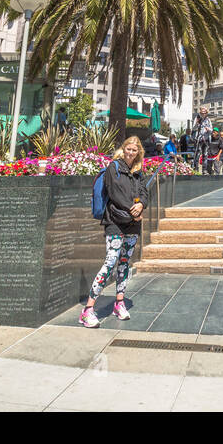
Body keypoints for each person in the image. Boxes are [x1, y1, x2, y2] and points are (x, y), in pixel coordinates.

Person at [80, 136, 149, 327]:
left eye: (135, 150)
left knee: (125, 263)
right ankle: (88, 310)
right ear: (123, 148)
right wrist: (132, 211)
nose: (131, 152)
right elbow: (114, 194)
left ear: (138, 152)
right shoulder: (114, 167)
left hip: (133, 223)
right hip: (115, 222)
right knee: (110, 262)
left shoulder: (138, 171)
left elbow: (145, 192)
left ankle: (119, 303)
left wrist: (141, 205)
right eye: (128, 149)